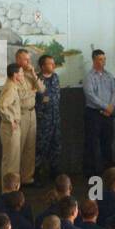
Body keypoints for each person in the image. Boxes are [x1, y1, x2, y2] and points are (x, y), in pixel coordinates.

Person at [83, 50, 115, 177]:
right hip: (94, 114)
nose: (103, 62)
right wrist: (105, 106)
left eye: (104, 59)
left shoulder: (109, 75)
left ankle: (109, 171)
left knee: (108, 142)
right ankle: (92, 172)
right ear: (94, 60)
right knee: (92, 143)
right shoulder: (89, 77)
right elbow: (90, 95)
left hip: (108, 114)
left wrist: (111, 107)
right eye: (100, 59)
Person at [34, 53, 62, 183]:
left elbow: (52, 96)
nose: (53, 65)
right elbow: (40, 98)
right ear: (42, 66)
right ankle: (37, 174)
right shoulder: (37, 79)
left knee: (55, 146)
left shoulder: (55, 77)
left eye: (53, 63)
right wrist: (45, 99)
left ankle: (54, 172)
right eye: (50, 63)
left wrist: (46, 98)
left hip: (55, 118)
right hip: (42, 120)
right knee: (40, 147)